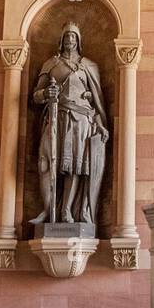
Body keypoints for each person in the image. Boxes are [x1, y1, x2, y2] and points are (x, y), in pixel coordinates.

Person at [31, 22, 108, 225]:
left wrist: (99, 123)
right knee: (45, 163)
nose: (70, 40)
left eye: (74, 36)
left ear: (79, 41)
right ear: (61, 39)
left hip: (81, 120)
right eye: (67, 36)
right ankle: (48, 210)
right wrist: (46, 93)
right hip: (56, 117)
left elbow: (96, 103)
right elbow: (35, 96)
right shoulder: (51, 64)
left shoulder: (88, 66)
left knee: (74, 166)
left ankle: (66, 211)